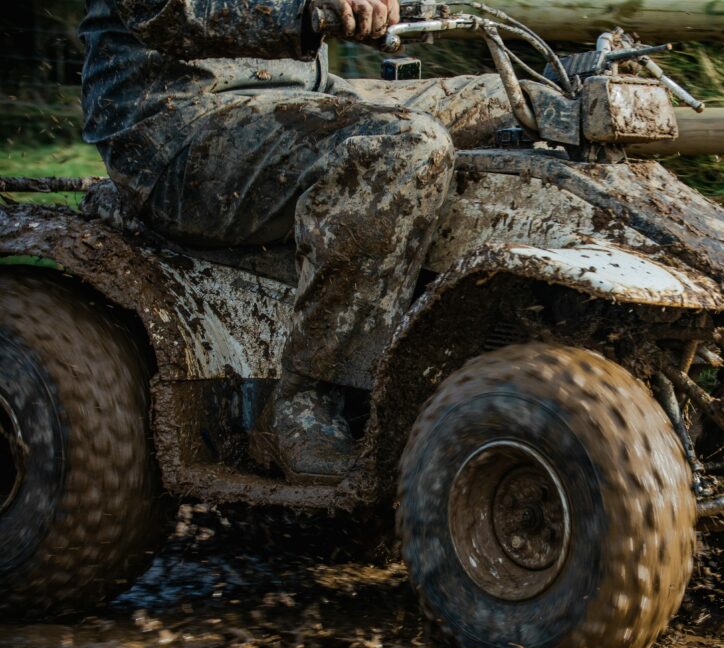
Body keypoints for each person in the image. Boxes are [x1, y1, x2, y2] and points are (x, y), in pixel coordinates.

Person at [78, 0, 515, 481]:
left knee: (511, 99)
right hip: (178, 128)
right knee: (404, 146)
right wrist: (307, 12)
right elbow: (169, 14)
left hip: (300, 93)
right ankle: (305, 401)